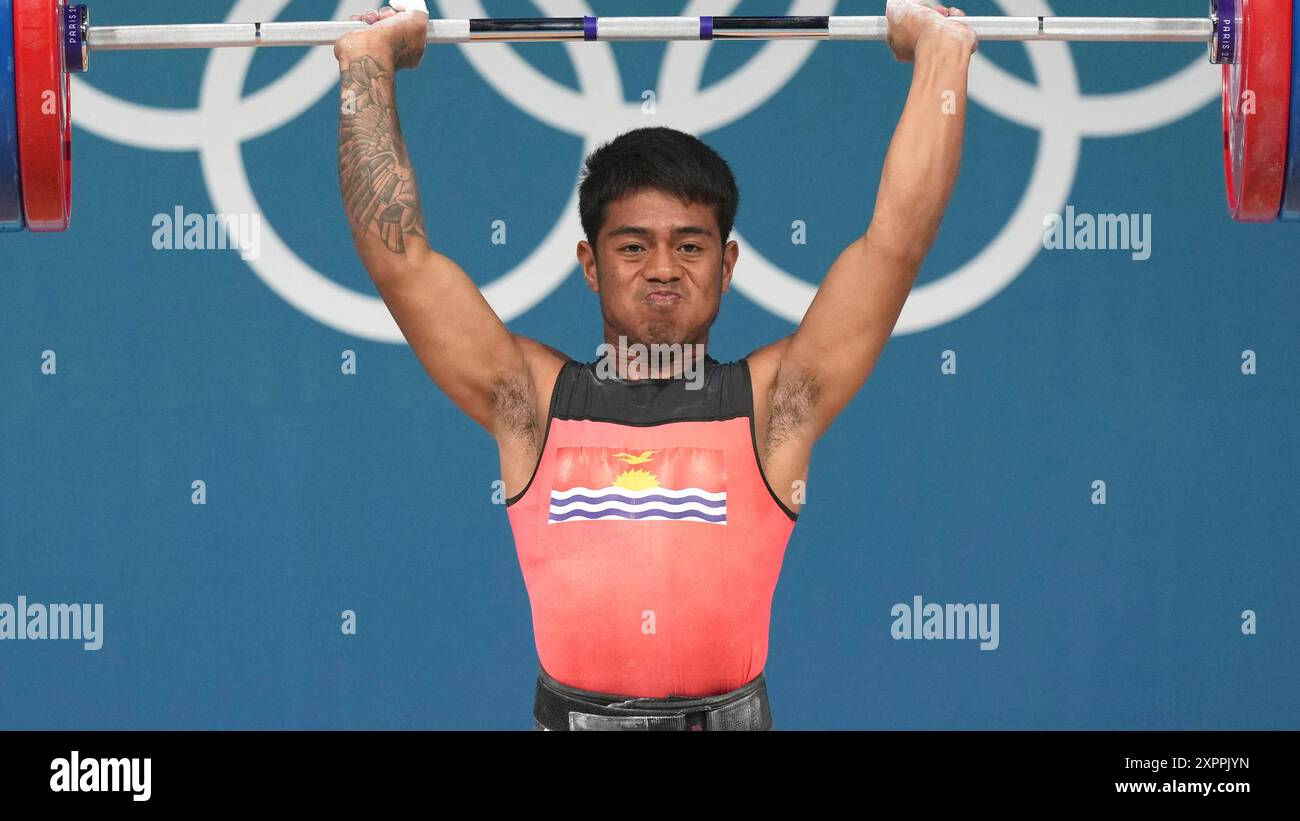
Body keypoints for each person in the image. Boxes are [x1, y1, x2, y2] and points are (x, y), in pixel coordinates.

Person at [332, 0, 977, 730]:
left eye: (691, 245)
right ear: (590, 264)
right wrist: (366, 63)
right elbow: (399, 259)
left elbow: (895, 245)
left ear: (728, 264)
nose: (663, 269)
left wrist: (942, 55)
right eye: (633, 246)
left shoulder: (776, 404)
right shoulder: (530, 401)